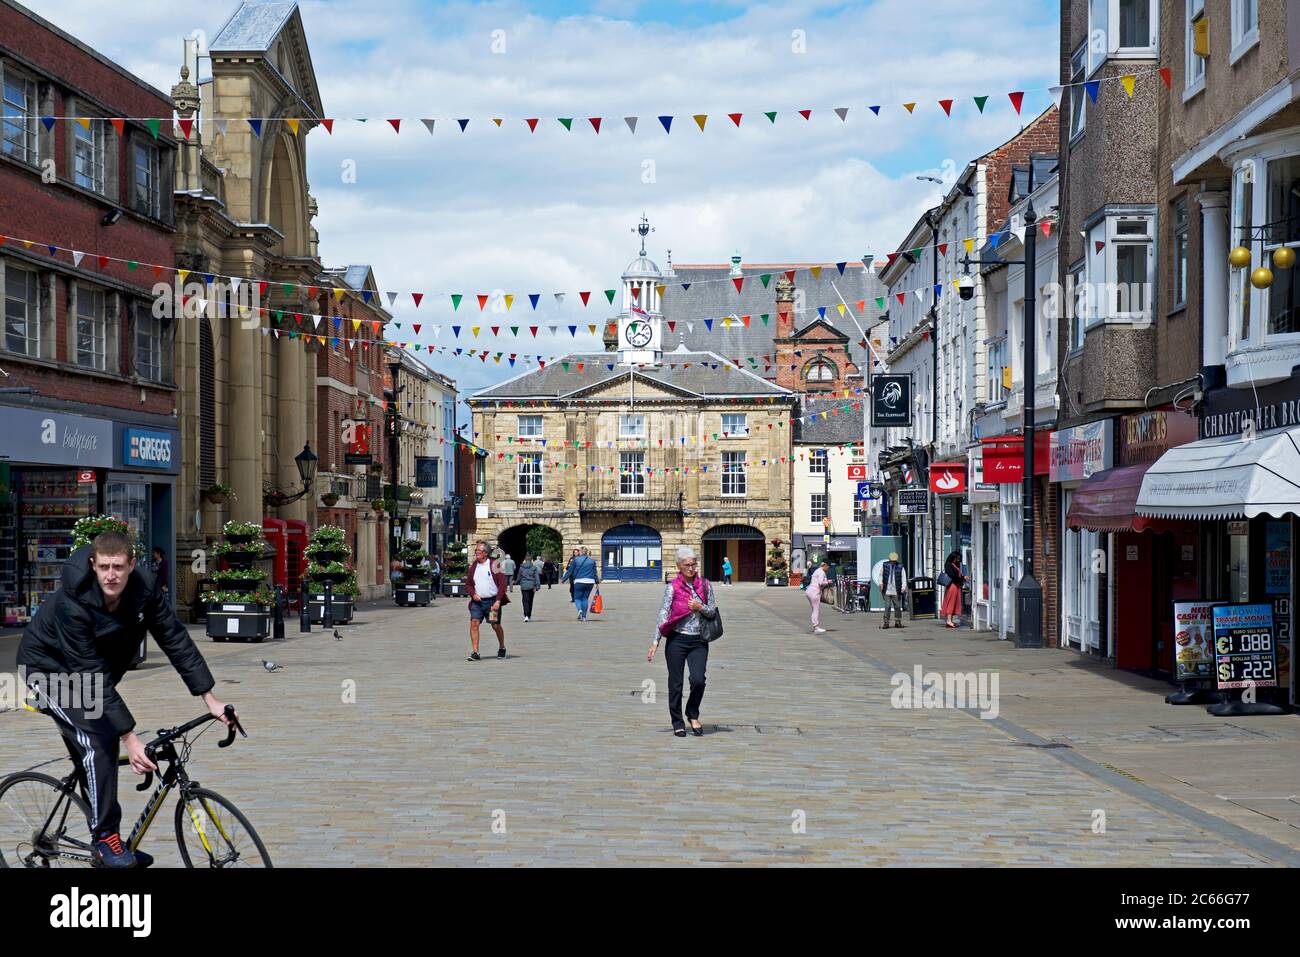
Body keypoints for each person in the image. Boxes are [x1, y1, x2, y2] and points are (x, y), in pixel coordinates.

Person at [17, 531, 233, 868]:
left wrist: (210, 698)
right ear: (93, 564)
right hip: (50, 670)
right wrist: (129, 738)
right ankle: (106, 839)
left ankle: (107, 838)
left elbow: (175, 639)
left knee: (101, 742)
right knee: (100, 741)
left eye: (118, 566)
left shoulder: (144, 591)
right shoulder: (72, 601)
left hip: (94, 673)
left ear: (132, 565)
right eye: (104, 567)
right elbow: (89, 676)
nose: (111, 575)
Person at [648, 546, 718, 737]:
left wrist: (699, 606)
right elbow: (663, 614)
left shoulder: (705, 585)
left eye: (694, 564)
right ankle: (677, 722)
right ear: (679, 566)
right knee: (675, 684)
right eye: (687, 565)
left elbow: (712, 611)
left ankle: (692, 713)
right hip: (677, 639)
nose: (691, 568)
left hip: (699, 640)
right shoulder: (672, 587)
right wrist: (656, 641)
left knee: (698, 680)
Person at [466, 541, 509, 661]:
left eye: (478, 551)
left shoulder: (494, 564)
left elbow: (502, 584)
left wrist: (498, 601)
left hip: (492, 603)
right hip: (478, 603)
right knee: (474, 623)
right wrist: (473, 594)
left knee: (495, 625)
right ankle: (475, 652)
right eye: (476, 551)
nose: (476, 554)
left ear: (485, 553)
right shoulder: (474, 565)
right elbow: (468, 584)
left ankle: (502, 647)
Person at [562, 546, 599, 621]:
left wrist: (564, 579)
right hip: (590, 582)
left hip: (579, 581)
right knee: (585, 598)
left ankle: (580, 610)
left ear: (580, 552)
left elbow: (570, 571)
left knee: (577, 598)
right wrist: (597, 582)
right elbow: (595, 573)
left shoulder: (576, 560)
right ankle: (584, 617)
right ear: (586, 552)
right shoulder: (592, 561)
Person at [879, 552, 909, 629]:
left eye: (894, 560)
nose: (893, 562)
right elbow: (881, 575)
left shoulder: (900, 566)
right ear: (889, 560)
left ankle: (898, 622)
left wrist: (903, 586)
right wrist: (881, 583)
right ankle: (886, 623)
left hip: (896, 590)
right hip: (887, 590)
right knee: (887, 606)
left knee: (897, 607)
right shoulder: (885, 565)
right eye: (892, 560)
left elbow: (903, 577)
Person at [941, 550, 966, 629]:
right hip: (952, 586)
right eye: (957, 558)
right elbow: (953, 576)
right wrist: (961, 579)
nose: (958, 560)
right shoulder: (949, 565)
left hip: (956, 586)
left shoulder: (955, 564)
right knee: (951, 603)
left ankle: (950, 621)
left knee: (954, 603)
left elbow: (957, 575)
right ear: (953, 557)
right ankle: (948, 621)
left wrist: (963, 577)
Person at [806, 560, 830, 635]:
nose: (828, 569)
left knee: (814, 609)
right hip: (815, 592)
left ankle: (815, 626)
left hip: (809, 591)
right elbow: (820, 582)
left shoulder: (817, 570)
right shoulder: (821, 572)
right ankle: (816, 627)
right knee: (816, 609)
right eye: (828, 567)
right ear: (825, 565)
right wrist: (828, 582)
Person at [517, 553, 540, 621]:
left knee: (525, 600)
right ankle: (529, 615)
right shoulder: (534, 568)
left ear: (524, 560)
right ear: (531, 560)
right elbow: (537, 577)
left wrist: (515, 582)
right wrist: (537, 586)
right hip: (532, 586)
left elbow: (519, 577)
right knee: (530, 600)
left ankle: (526, 615)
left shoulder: (521, 568)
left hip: (524, 586)